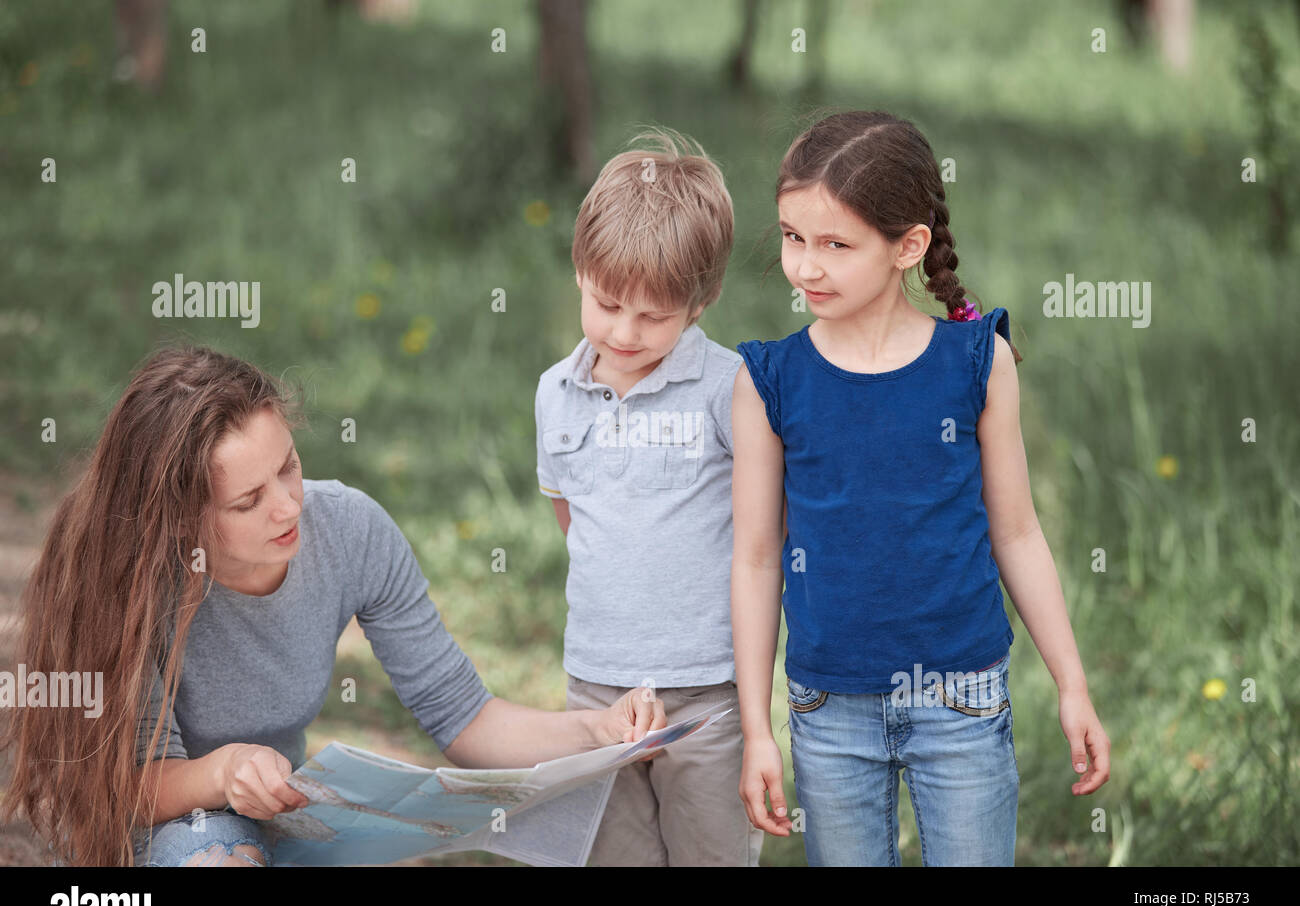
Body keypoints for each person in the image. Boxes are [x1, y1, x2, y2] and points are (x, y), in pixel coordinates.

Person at [0, 345, 665, 867]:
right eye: (247, 501)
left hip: (279, 819)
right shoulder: (135, 580)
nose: (290, 506)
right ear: (180, 523)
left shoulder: (350, 530)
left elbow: (466, 718)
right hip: (162, 834)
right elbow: (127, 787)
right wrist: (225, 771)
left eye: (288, 467)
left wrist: (595, 730)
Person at [731, 110, 1111, 866]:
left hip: (962, 702)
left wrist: (1072, 682)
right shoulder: (769, 380)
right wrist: (756, 729)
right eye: (791, 237)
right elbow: (755, 559)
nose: (805, 267)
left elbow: (1018, 534)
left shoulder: (976, 363)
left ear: (908, 246)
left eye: (836, 245)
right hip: (826, 708)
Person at [535, 128, 764, 865]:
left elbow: (763, 532)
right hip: (595, 689)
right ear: (579, 271)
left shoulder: (730, 389)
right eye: (607, 305)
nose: (625, 332)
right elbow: (568, 513)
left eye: (653, 316)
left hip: (706, 691)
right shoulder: (554, 395)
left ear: (701, 302)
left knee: (711, 853)